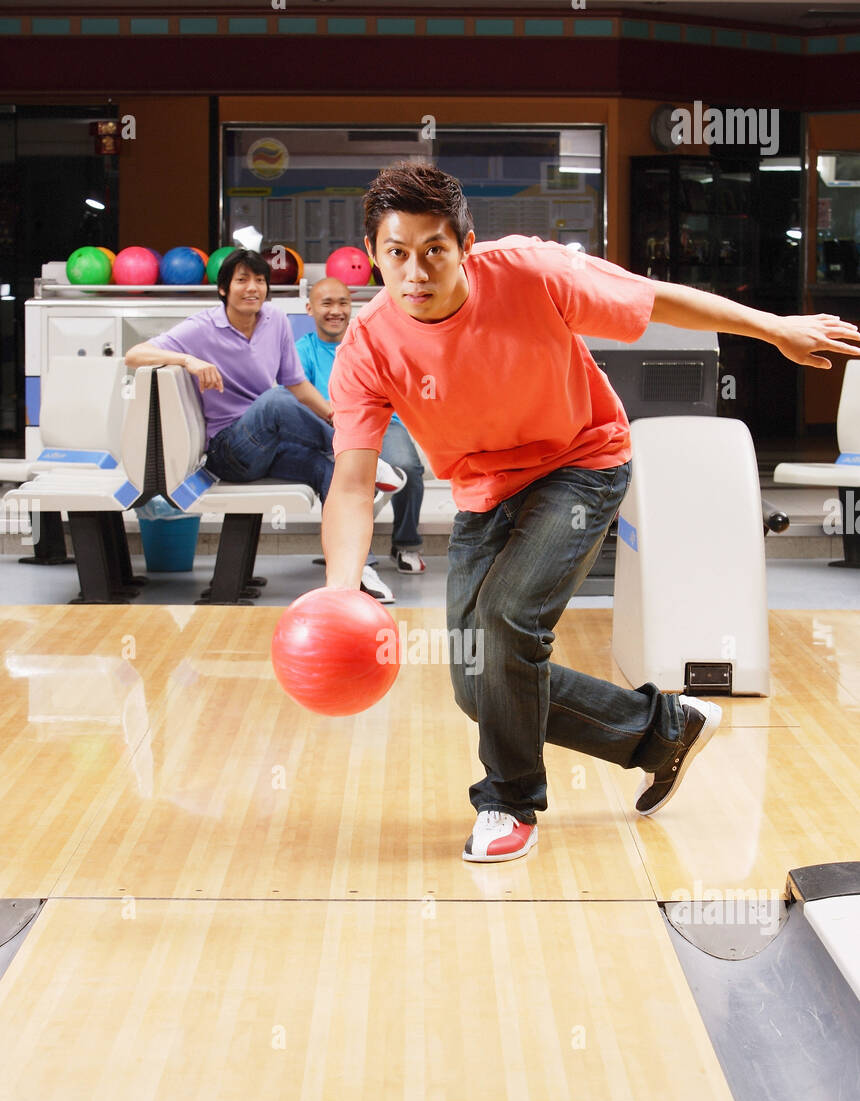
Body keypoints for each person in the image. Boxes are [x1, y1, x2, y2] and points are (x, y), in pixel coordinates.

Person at [323, 162, 860, 865]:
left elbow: (657, 299)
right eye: (397, 253)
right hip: (484, 491)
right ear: (375, 256)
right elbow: (354, 484)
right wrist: (339, 594)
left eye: (434, 250)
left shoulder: (529, 271)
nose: (416, 271)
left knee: (506, 622)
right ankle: (660, 731)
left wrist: (772, 326)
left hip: (581, 462)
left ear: (466, 245)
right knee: (475, 677)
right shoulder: (367, 344)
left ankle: (507, 803)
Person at [123, 247, 404, 603]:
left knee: (329, 470)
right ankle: (366, 459)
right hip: (228, 450)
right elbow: (134, 355)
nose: (252, 287)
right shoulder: (203, 326)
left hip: (268, 445)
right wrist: (188, 360)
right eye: (242, 280)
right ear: (224, 288)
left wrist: (339, 418)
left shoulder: (275, 322)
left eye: (259, 279)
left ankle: (357, 570)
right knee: (273, 401)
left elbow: (298, 386)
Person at [298, 276, 426, 575]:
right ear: (310, 308)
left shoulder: (368, 343)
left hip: (383, 423)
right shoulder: (302, 350)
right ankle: (354, 558)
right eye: (326, 303)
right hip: (332, 430)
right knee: (350, 477)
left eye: (343, 303)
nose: (336, 310)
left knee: (408, 469)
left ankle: (406, 544)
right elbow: (296, 398)